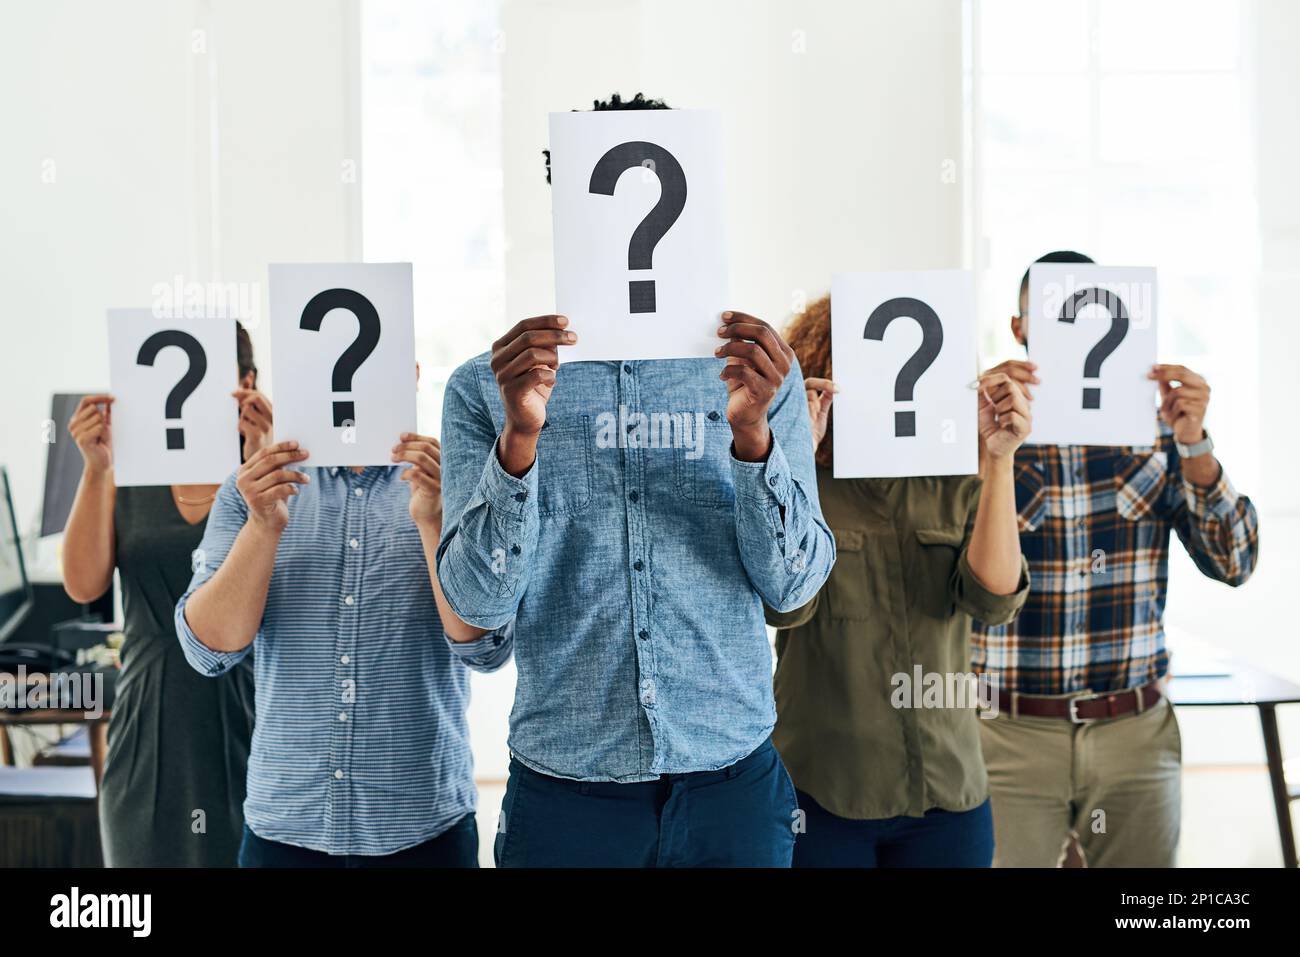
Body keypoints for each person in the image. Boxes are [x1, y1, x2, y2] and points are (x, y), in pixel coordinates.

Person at [437, 93, 836, 868]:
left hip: (734, 790)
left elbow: (792, 588)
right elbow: (477, 607)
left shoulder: (760, 375)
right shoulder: (486, 388)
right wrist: (520, 441)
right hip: (566, 796)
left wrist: (753, 438)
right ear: (568, 206)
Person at [973, 250, 1260, 867]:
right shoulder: (981, 431)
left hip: (1134, 730)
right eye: (1047, 323)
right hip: (1007, 733)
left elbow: (1235, 560)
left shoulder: (1160, 431)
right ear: (1019, 329)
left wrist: (1196, 445)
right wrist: (981, 449)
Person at [174, 365, 508, 867]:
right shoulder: (252, 489)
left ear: (410, 373)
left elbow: (486, 648)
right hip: (283, 831)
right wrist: (263, 528)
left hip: (425, 829)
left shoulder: (458, 483)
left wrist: (434, 520)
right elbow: (208, 652)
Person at [765, 295, 1031, 867]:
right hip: (823, 791)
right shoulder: (805, 481)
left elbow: (993, 600)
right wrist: (796, 460)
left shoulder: (955, 477)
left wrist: (999, 460)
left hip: (947, 791)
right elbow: (785, 607)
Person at [63, 321, 270, 867]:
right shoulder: (129, 470)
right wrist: (96, 468)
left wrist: (260, 455)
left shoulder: (264, 471)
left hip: (250, 708)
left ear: (246, 381)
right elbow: (83, 584)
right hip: (148, 722)